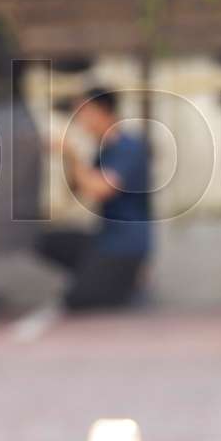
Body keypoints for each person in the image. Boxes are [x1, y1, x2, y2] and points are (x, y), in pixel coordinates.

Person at [36, 87, 152, 311]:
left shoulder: (128, 147)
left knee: (77, 300)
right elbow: (80, 190)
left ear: (102, 111)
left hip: (125, 246)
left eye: (83, 112)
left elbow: (101, 189)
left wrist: (70, 153)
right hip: (105, 238)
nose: (79, 119)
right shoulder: (104, 150)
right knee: (46, 240)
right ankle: (95, 273)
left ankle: (123, 282)